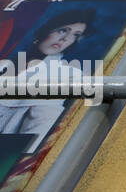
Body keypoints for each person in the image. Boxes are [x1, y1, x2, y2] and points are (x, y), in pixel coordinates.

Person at [0, 8, 94, 152]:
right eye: (63, 30)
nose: (65, 39)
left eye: (75, 35)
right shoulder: (5, 64)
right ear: (46, 30)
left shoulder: (64, 76)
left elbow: (36, 135)